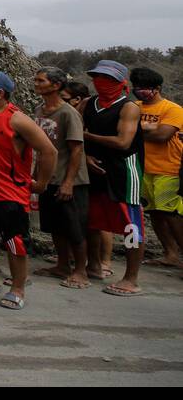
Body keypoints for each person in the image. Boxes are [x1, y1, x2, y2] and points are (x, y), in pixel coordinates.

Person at [0, 71, 57, 310]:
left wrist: (42, 183)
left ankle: (17, 288)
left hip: (9, 192)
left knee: (15, 241)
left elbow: (49, 151)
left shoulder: (17, 119)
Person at [82, 60, 146, 297]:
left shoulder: (129, 107)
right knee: (92, 220)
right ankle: (94, 266)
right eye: (98, 78)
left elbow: (123, 142)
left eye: (108, 79)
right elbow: (76, 136)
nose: (101, 83)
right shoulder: (89, 103)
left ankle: (131, 277)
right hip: (94, 166)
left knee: (131, 225)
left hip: (124, 170)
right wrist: (86, 154)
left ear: (121, 83)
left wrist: (87, 136)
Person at [29, 67, 91, 289]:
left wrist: (68, 182)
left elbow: (76, 149)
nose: (36, 83)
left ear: (56, 85)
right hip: (49, 178)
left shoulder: (68, 113)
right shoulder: (39, 110)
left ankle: (81, 271)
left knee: (74, 227)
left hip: (69, 180)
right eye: (36, 80)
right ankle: (62, 265)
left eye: (41, 80)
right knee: (55, 226)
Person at [130, 67, 183, 270]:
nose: (140, 91)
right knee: (154, 213)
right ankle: (170, 254)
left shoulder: (172, 109)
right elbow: (121, 129)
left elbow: (163, 136)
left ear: (157, 88)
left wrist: (134, 129)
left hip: (169, 168)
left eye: (145, 87)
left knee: (170, 213)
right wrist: (151, 128)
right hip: (143, 168)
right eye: (137, 87)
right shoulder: (134, 106)